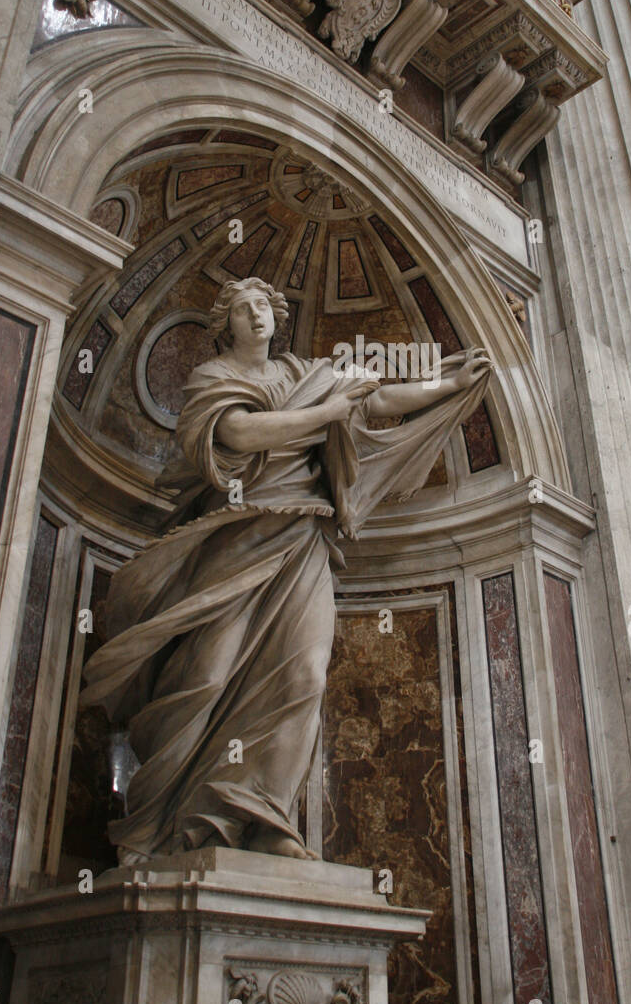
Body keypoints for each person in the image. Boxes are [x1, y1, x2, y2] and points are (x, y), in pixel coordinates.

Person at [80, 277, 491, 863]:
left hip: (303, 541)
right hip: (236, 539)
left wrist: (445, 383)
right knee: (207, 676)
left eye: (264, 307)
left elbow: (372, 400)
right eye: (244, 308)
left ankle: (264, 815)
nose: (256, 316)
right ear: (227, 323)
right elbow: (239, 432)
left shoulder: (305, 373)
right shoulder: (214, 377)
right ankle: (177, 822)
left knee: (304, 676)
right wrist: (326, 414)